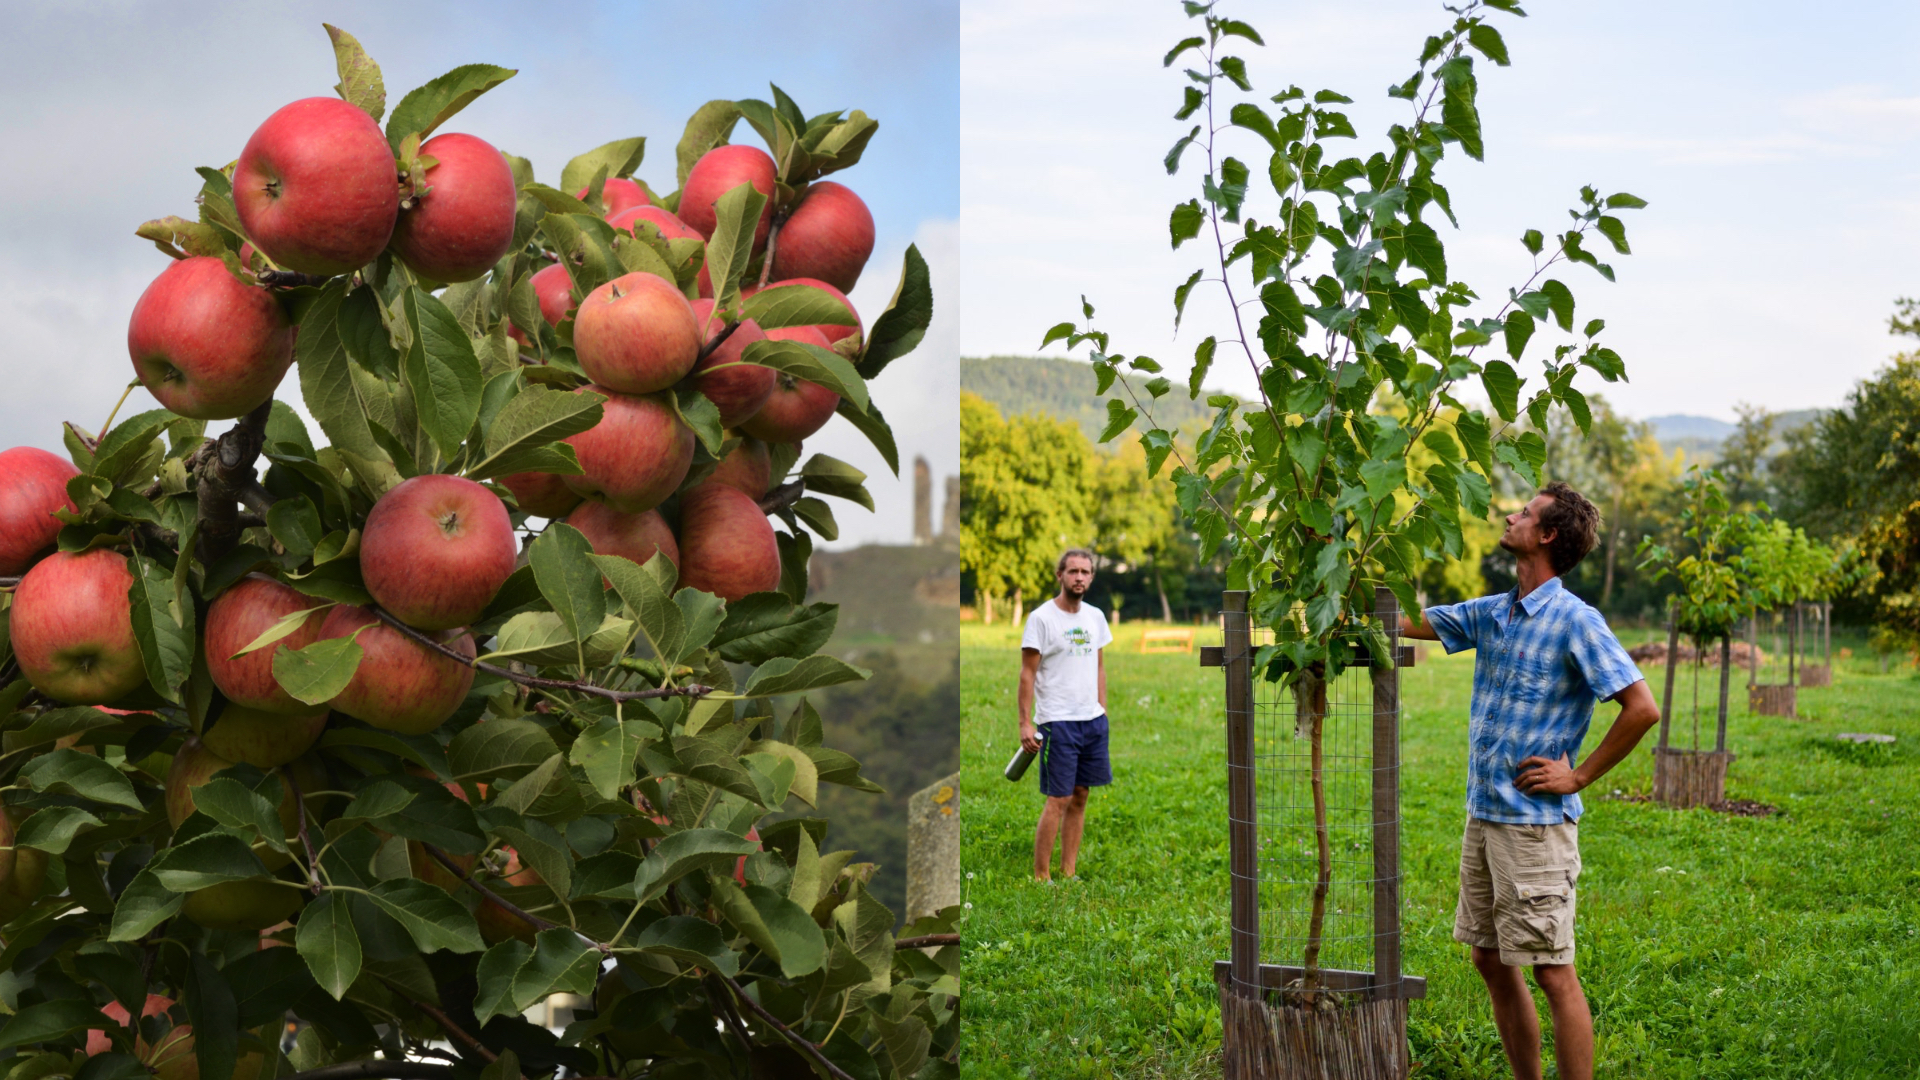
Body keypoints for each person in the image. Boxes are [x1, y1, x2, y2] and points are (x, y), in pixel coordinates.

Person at [1401, 481, 1660, 1080]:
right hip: (1485, 815)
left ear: (1546, 535)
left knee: (1551, 969)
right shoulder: (1495, 612)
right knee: (1489, 960)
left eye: (1524, 512)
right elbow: (1407, 621)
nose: (1510, 515)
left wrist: (1580, 776)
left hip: (1535, 829)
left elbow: (1642, 707)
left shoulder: (1576, 621)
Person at [1017, 548, 1112, 882]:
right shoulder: (1041, 619)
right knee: (1059, 797)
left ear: (1091, 577)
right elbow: (1027, 674)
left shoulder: (1096, 617)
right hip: (1057, 722)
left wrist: (1102, 708)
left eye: (1085, 572)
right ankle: (1041, 876)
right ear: (1060, 575)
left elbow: (1099, 667)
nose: (1079, 577)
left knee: (1081, 795)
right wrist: (1025, 722)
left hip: (1092, 722)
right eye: (1073, 571)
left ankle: (1068, 871)